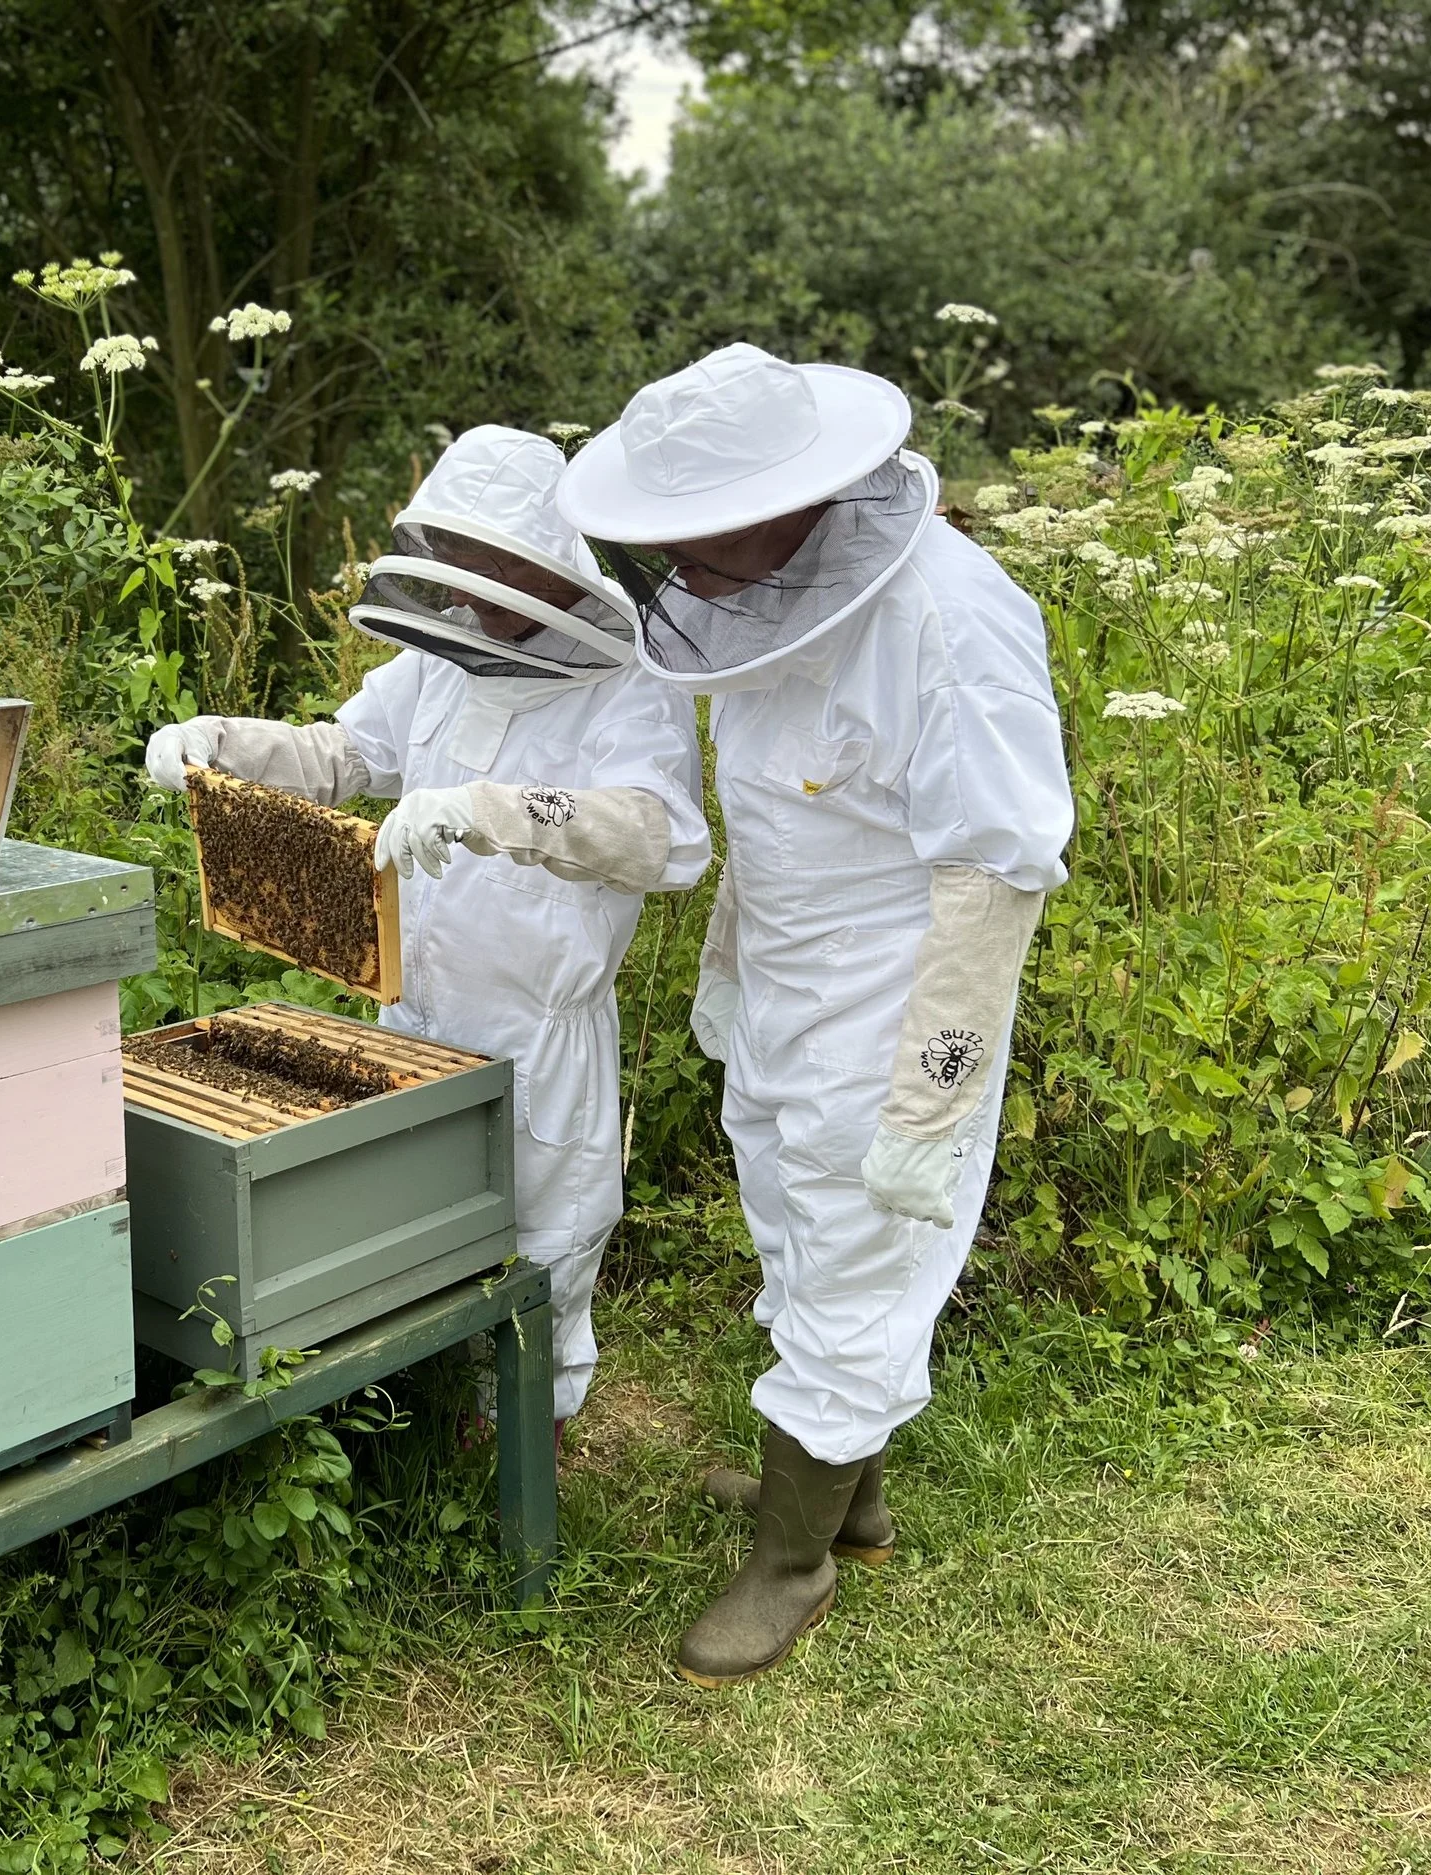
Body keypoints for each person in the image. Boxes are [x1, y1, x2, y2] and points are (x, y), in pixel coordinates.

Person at [555, 344, 1073, 1685]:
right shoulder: (760, 596)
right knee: (803, 1225)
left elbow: (1000, 866)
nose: (680, 568)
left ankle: (795, 1558)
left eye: (696, 537)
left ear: (792, 495)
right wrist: (735, 963)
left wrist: (934, 1089)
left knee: (863, 1250)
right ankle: (850, 1495)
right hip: (787, 975)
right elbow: (785, 815)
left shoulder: (953, 617)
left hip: (897, 998)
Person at [144, 425, 709, 1429]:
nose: (472, 588)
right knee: (412, 1225)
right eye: (461, 562)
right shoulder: (442, 658)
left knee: (552, 1230)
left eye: (494, 564)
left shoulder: (628, 680)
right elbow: (339, 758)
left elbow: (660, 840)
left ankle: (536, 1430)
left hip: (540, 1022)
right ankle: (428, 1419)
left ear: (547, 556)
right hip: (414, 1008)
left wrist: (503, 813)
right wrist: (220, 744)